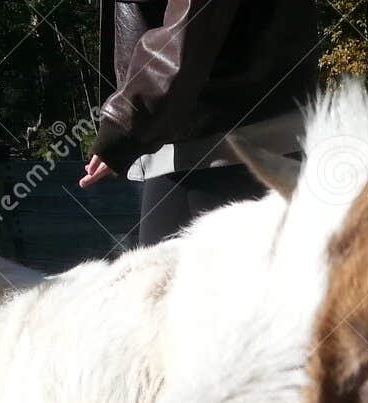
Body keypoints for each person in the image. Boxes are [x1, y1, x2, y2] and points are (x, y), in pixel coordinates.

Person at [80, 0, 318, 246]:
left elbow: (192, 22)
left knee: (172, 281)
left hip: (214, 143)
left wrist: (125, 124)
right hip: (246, 135)